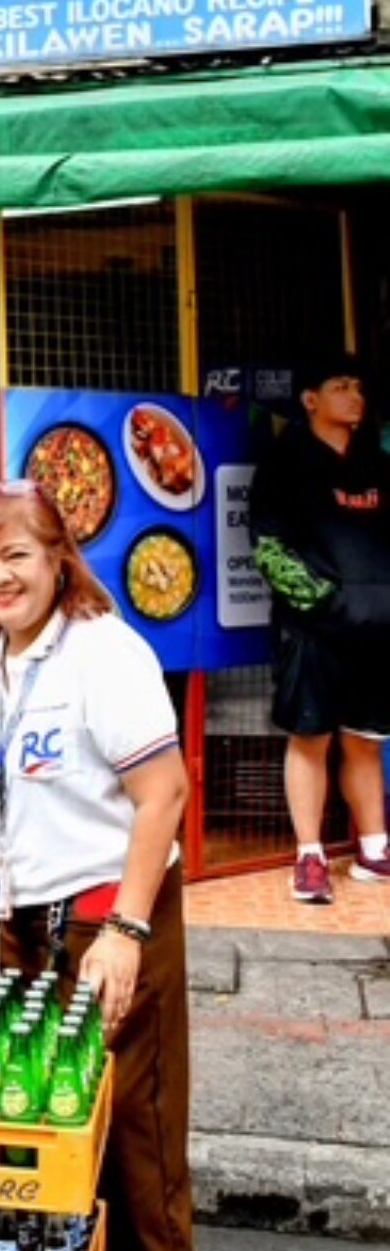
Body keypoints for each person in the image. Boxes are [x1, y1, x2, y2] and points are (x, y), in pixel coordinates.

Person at [0, 480, 197, 1251]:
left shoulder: (104, 652)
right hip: (29, 920)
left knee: (131, 1128)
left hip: (106, 916)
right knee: (56, 1125)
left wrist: (128, 933)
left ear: (58, 557)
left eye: (17, 554)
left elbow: (163, 795)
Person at [249, 350, 390, 905]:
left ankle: (375, 849)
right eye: (341, 385)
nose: (354, 396)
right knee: (310, 738)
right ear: (311, 399)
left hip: (378, 631)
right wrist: (324, 603)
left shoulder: (377, 464)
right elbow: (267, 548)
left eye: (358, 385)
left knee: (364, 741)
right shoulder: (284, 463)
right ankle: (309, 856)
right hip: (313, 630)